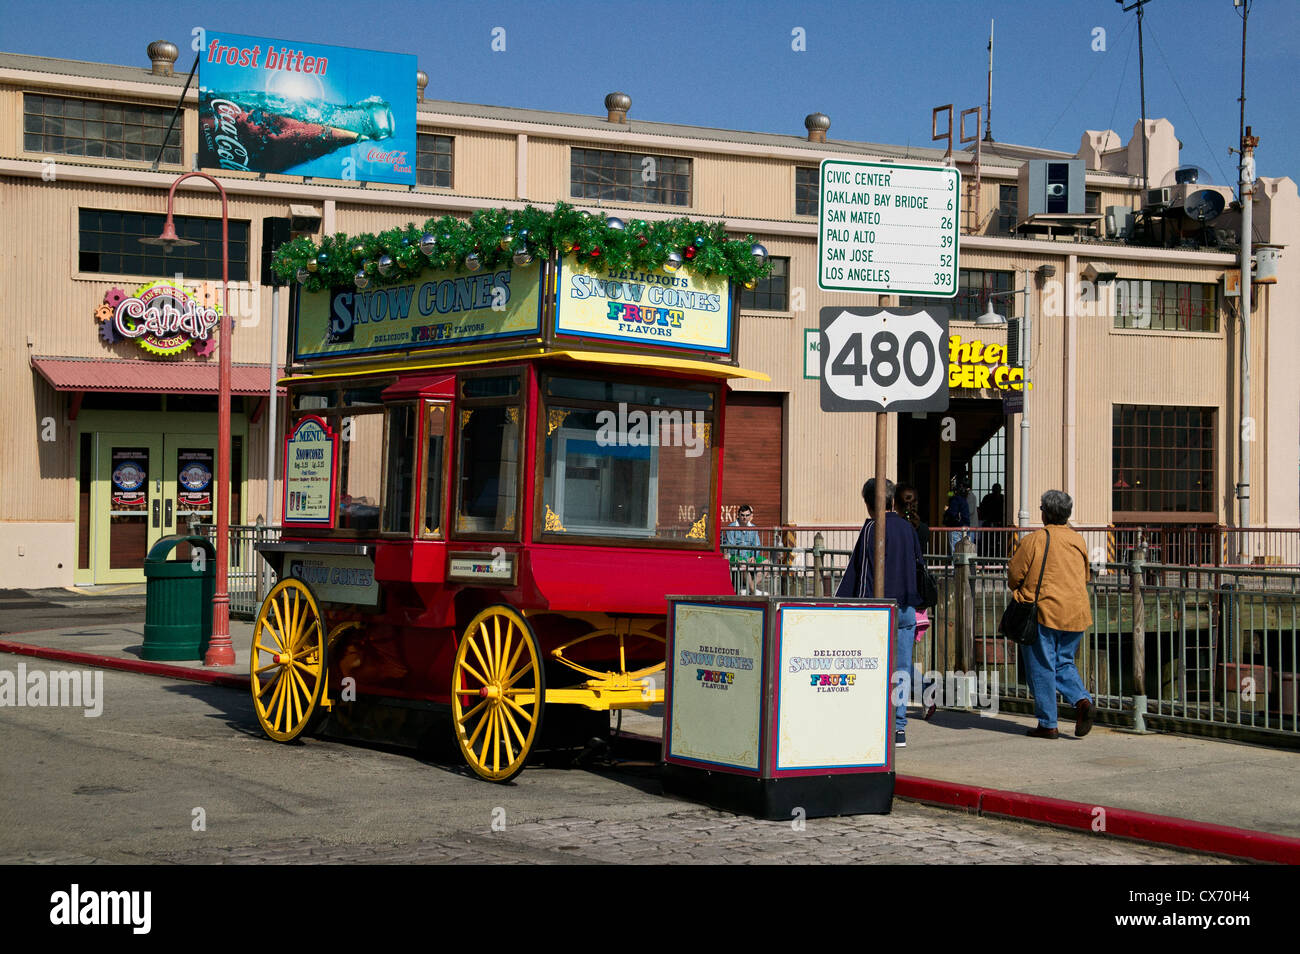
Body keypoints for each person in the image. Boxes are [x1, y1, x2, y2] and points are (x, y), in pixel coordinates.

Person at [837, 478, 923, 747]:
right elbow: (918, 565)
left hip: (878, 609)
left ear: (869, 502)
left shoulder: (873, 527)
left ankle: (874, 719)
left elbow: (862, 573)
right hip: (907, 606)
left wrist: (849, 604)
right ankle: (899, 727)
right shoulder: (907, 528)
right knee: (901, 668)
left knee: (869, 666)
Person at [1007, 489, 1095, 740]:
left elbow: (1015, 574)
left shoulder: (1036, 540)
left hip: (1044, 610)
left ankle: (1048, 722)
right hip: (1076, 611)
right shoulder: (1077, 540)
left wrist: (1019, 589)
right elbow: (1085, 574)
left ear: (1045, 513)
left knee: (1042, 667)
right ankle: (1082, 701)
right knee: (1063, 662)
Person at [895, 483, 937, 721]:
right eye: (908, 501)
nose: (910, 505)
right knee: (901, 658)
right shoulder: (919, 529)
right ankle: (926, 689)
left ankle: (925, 690)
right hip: (911, 597)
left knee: (900, 659)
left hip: (908, 599)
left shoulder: (917, 529)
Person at [724, 504, 765, 595]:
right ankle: (753, 590)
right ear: (738, 515)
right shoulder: (731, 527)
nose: (744, 518)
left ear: (750, 516)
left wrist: (754, 556)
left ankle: (749, 588)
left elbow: (757, 545)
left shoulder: (753, 528)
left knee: (766, 564)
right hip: (736, 556)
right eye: (742, 515)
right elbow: (730, 546)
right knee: (743, 564)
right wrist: (741, 556)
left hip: (750, 555)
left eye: (747, 515)